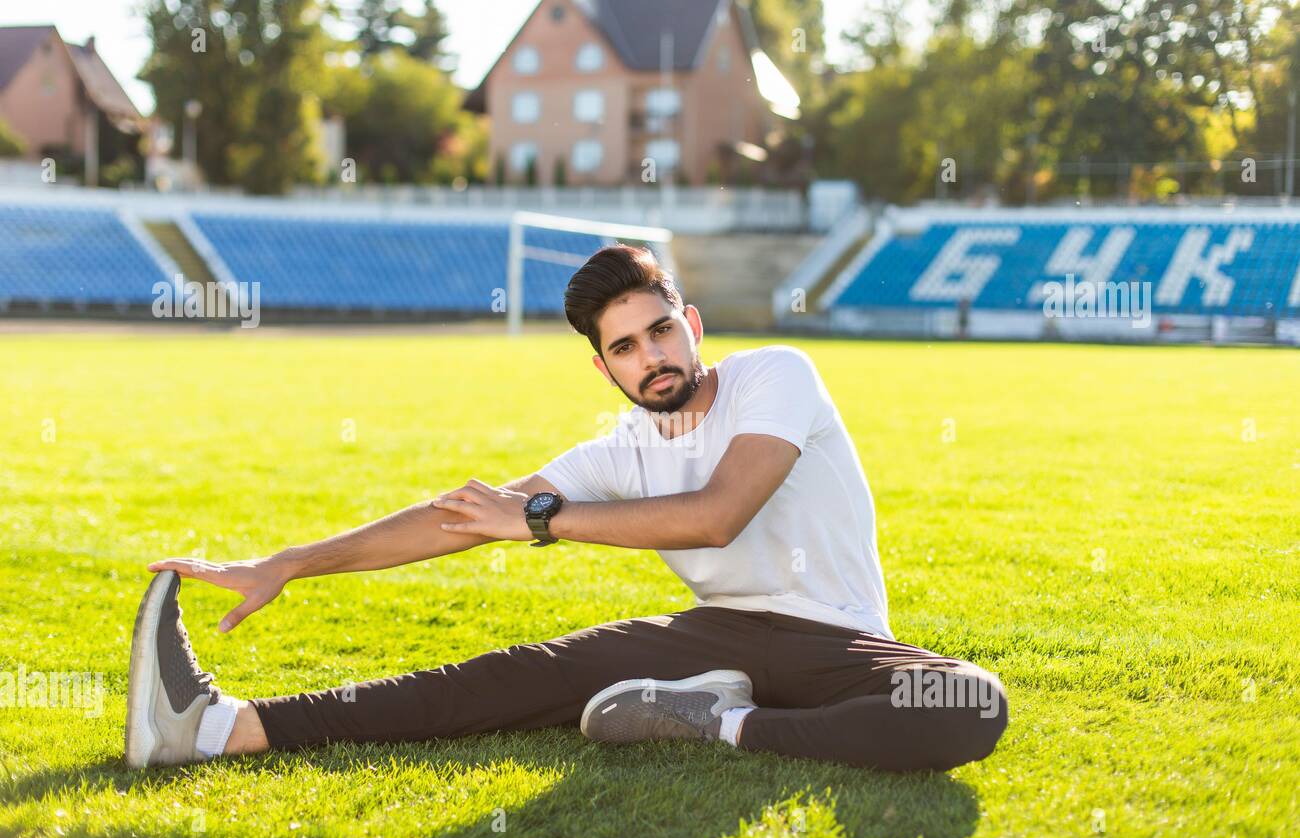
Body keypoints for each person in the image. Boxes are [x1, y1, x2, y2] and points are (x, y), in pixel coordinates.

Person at [125, 244, 1008, 773]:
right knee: (518, 676)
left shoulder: (775, 375)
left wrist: (544, 519)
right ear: (605, 368)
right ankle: (219, 729)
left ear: (691, 322)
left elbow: (717, 514)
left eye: (661, 330)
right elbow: (461, 516)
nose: (651, 356)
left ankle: (714, 720)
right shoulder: (614, 452)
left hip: (837, 641)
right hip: (713, 636)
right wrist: (284, 563)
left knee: (969, 703)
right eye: (625, 347)